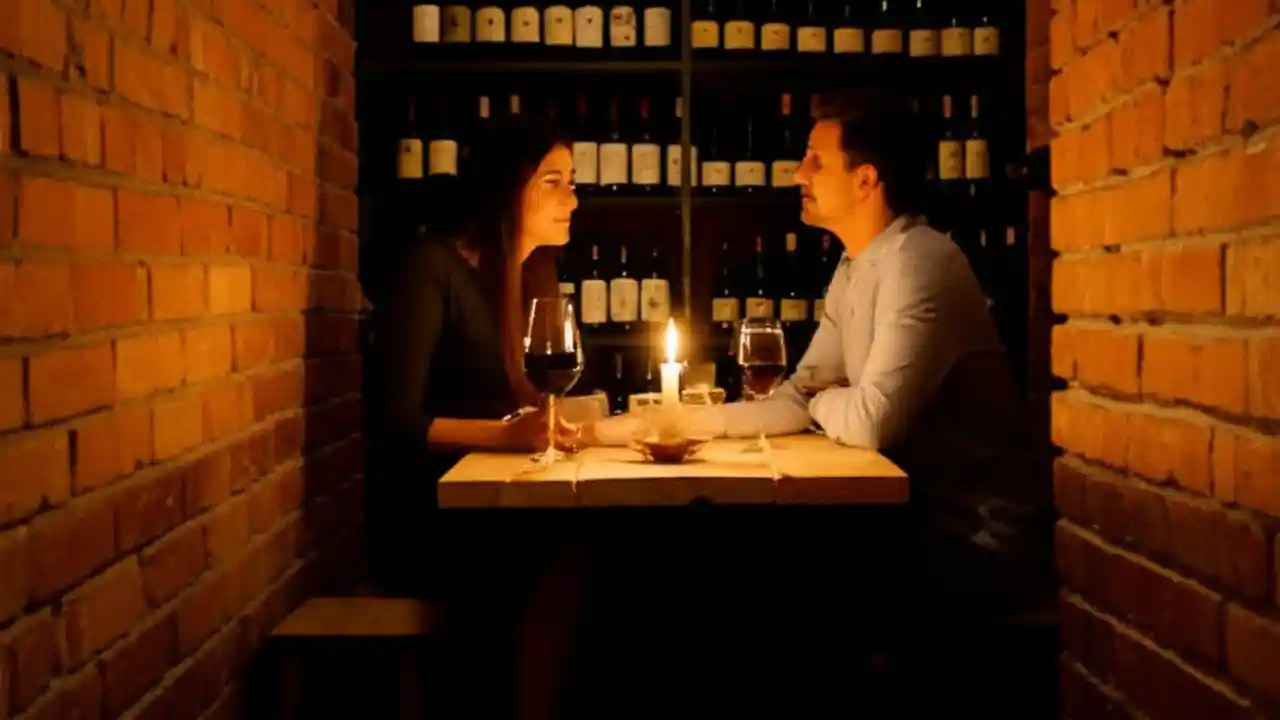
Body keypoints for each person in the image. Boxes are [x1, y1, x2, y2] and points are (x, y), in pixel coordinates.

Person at [588, 88, 1053, 621]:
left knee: (740, 573)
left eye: (815, 161)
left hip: (976, 540)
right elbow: (792, 399)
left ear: (865, 181)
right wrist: (675, 421)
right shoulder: (856, 267)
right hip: (909, 519)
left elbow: (873, 423)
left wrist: (823, 401)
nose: (797, 175)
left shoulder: (921, 262)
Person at [365, 115, 583, 720]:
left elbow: (519, 402)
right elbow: (396, 421)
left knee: (596, 550)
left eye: (572, 181)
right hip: (433, 515)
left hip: (498, 504)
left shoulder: (533, 274)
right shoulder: (431, 267)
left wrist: (550, 425)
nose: (573, 196)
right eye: (554, 181)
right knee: (564, 558)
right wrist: (508, 436)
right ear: (507, 187)